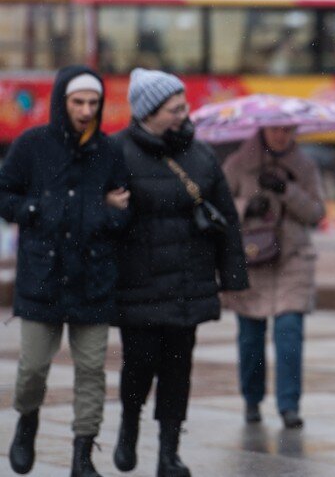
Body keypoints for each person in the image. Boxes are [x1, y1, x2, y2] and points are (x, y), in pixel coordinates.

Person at [111, 68, 248, 477]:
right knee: (138, 364)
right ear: (148, 112)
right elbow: (101, 219)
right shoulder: (115, 152)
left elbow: (226, 217)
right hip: (138, 283)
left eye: (183, 106)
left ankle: (169, 454)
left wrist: (233, 276)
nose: (184, 114)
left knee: (177, 370)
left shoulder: (200, 154)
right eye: (174, 108)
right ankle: (129, 426)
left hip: (189, 282)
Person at [0, 66, 130, 477]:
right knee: (33, 367)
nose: (87, 110)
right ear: (62, 101)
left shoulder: (109, 151)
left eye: (94, 102)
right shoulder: (32, 144)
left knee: (91, 369)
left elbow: (126, 211)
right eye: (78, 102)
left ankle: (82, 452)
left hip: (94, 279)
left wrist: (107, 215)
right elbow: (5, 193)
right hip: (43, 276)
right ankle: (27, 422)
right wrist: (34, 210)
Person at [221, 125, 326, 428]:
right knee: (250, 338)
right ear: (262, 128)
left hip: (292, 260)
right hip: (252, 259)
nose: (282, 136)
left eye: (288, 130)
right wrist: (247, 205)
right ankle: (251, 401)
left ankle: (288, 406)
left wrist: (286, 191)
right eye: (276, 130)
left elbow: (317, 213)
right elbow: (220, 206)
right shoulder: (238, 163)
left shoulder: (305, 165)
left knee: (289, 332)